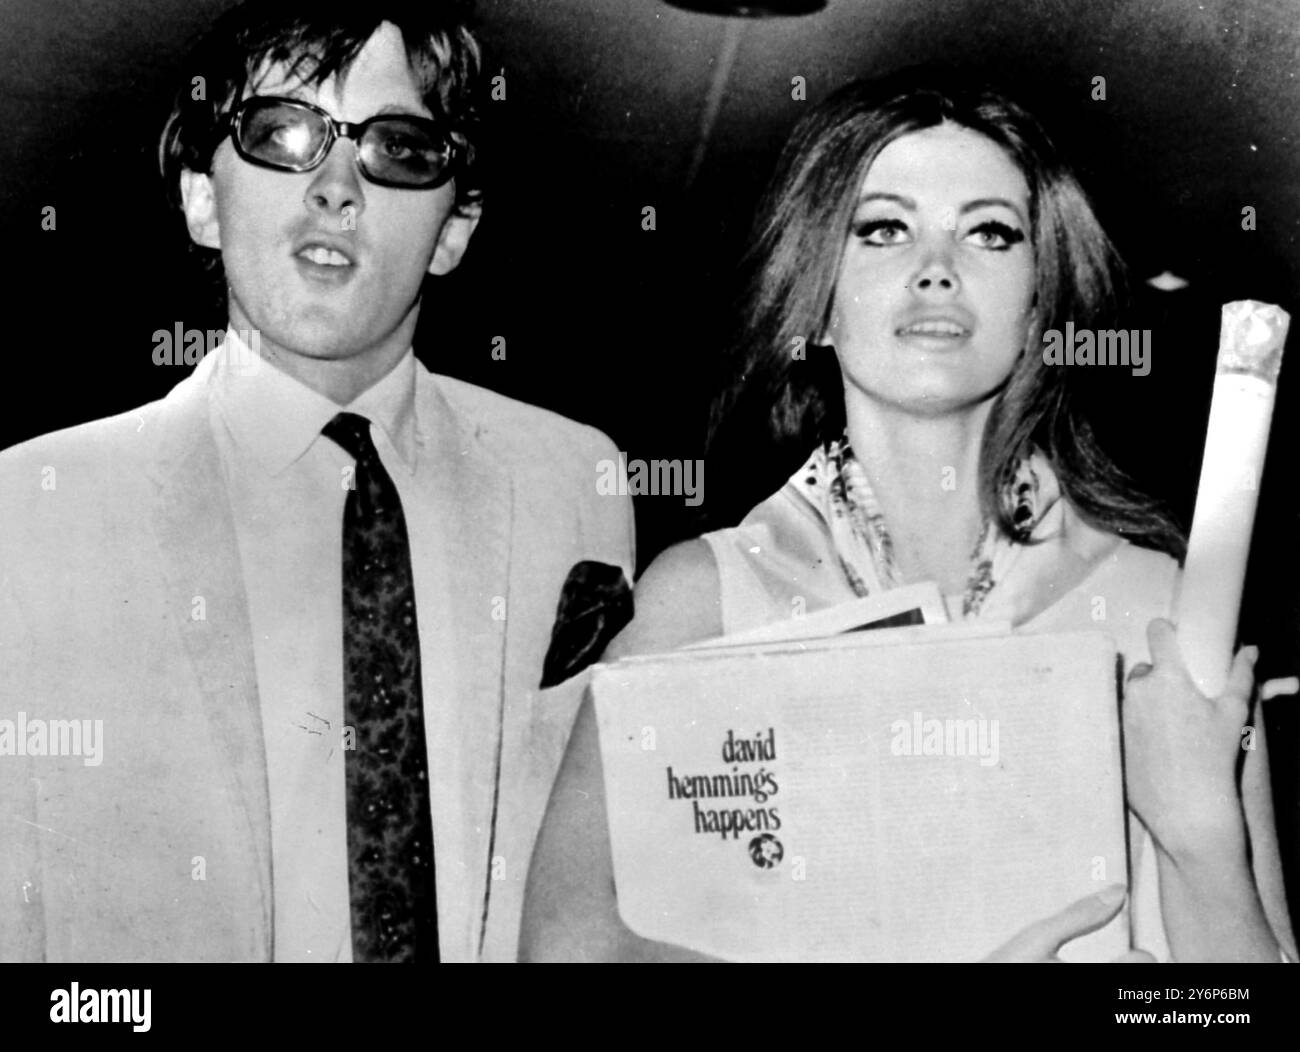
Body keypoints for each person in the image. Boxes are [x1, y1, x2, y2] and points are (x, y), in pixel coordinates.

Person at [519, 70, 1296, 962]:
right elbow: (566, 948)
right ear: (816, 293)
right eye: (885, 229)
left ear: (1042, 301)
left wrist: (1203, 849)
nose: (937, 268)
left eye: (990, 234)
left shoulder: (1160, 610)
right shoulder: (703, 600)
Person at [0, 1, 633, 963]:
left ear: (455, 228)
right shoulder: (37, 511)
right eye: (282, 135)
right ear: (202, 200)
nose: (337, 184)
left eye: (400, 150)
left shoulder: (571, 478)